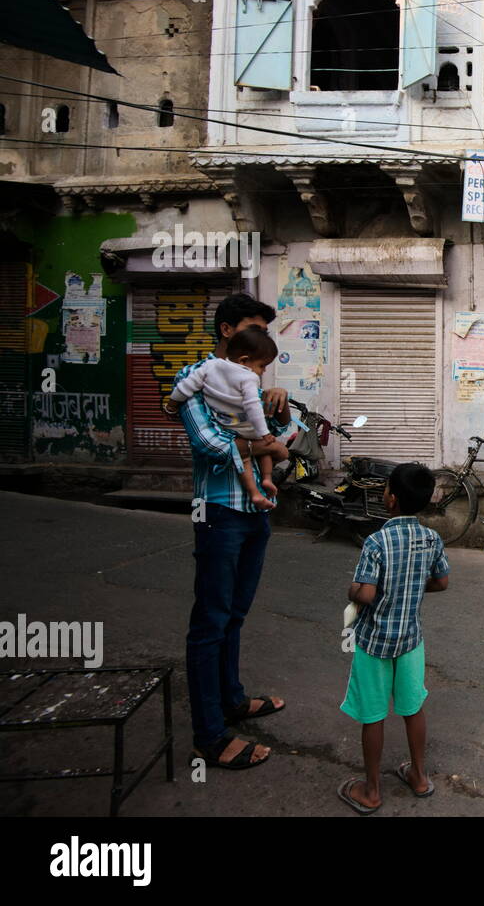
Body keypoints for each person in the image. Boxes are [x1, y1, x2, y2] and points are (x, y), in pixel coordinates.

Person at [172, 292, 291, 771]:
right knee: (211, 621)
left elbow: (286, 436)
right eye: (253, 328)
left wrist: (280, 416)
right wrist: (263, 441)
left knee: (235, 614)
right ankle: (209, 736)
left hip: (255, 512)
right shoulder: (196, 379)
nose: (261, 340)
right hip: (218, 512)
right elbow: (209, 444)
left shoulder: (251, 377)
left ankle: (232, 700)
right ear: (228, 331)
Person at [337, 463, 450, 815]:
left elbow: (366, 595)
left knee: (373, 715)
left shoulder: (377, 541)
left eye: (386, 488)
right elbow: (442, 581)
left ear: (392, 500)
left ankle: (371, 791)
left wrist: (352, 589)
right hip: (411, 641)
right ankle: (418, 777)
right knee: (413, 708)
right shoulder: (431, 538)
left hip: (375, 642)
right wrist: (414, 587)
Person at [167, 327, 282, 510]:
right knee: (265, 449)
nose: (263, 371)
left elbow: (186, 387)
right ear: (244, 360)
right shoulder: (248, 377)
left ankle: (254, 493)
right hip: (213, 504)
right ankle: (267, 479)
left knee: (244, 459)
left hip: (224, 424)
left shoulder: (209, 367)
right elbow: (253, 409)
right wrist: (264, 435)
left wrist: (172, 404)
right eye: (262, 365)